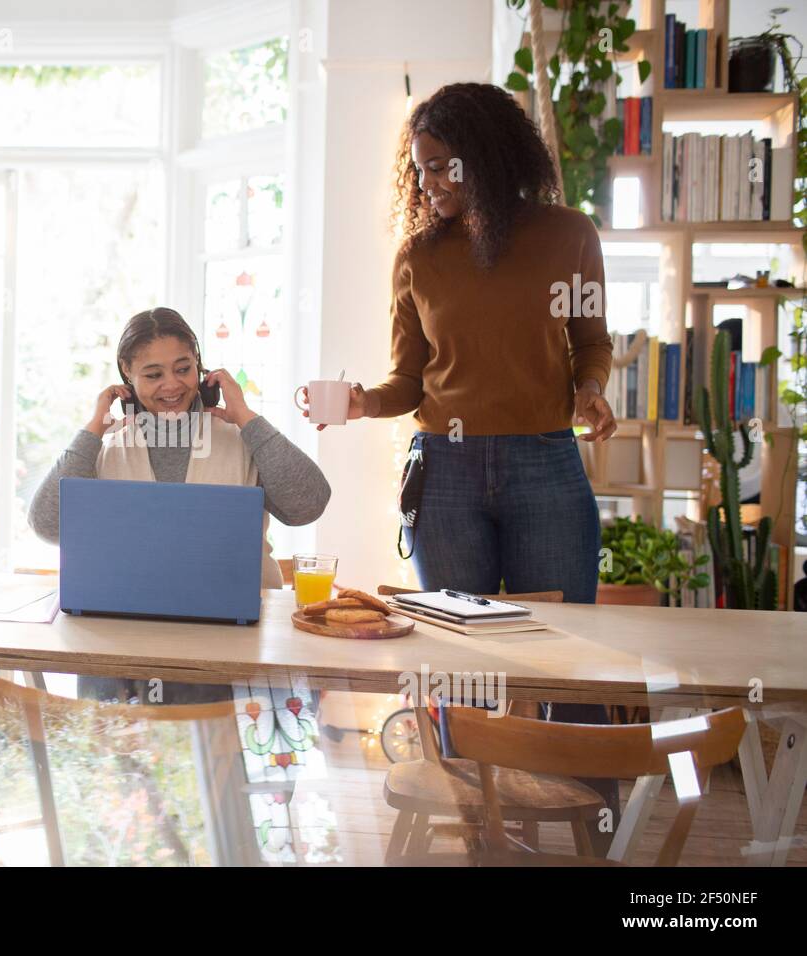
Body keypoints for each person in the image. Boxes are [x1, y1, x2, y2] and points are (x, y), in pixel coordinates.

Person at [300, 82, 620, 847]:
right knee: (453, 654)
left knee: (562, 648)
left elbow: (592, 340)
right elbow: (409, 383)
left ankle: (591, 822)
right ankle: (479, 827)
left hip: (546, 462)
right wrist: (357, 403)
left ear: (493, 157)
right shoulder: (418, 256)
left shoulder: (567, 233)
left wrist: (592, 391)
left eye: (446, 166)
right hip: (442, 471)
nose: (432, 184)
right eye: (421, 170)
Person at [30, 306, 330, 703]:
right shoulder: (105, 446)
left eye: (183, 368)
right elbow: (47, 524)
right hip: (123, 644)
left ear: (201, 368)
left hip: (231, 644)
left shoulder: (240, 437)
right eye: (153, 374)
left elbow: (308, 504)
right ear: (127, 377)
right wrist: (90, 431)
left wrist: (246, 417)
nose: (171, 385)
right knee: (121, 749)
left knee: (216, 748)